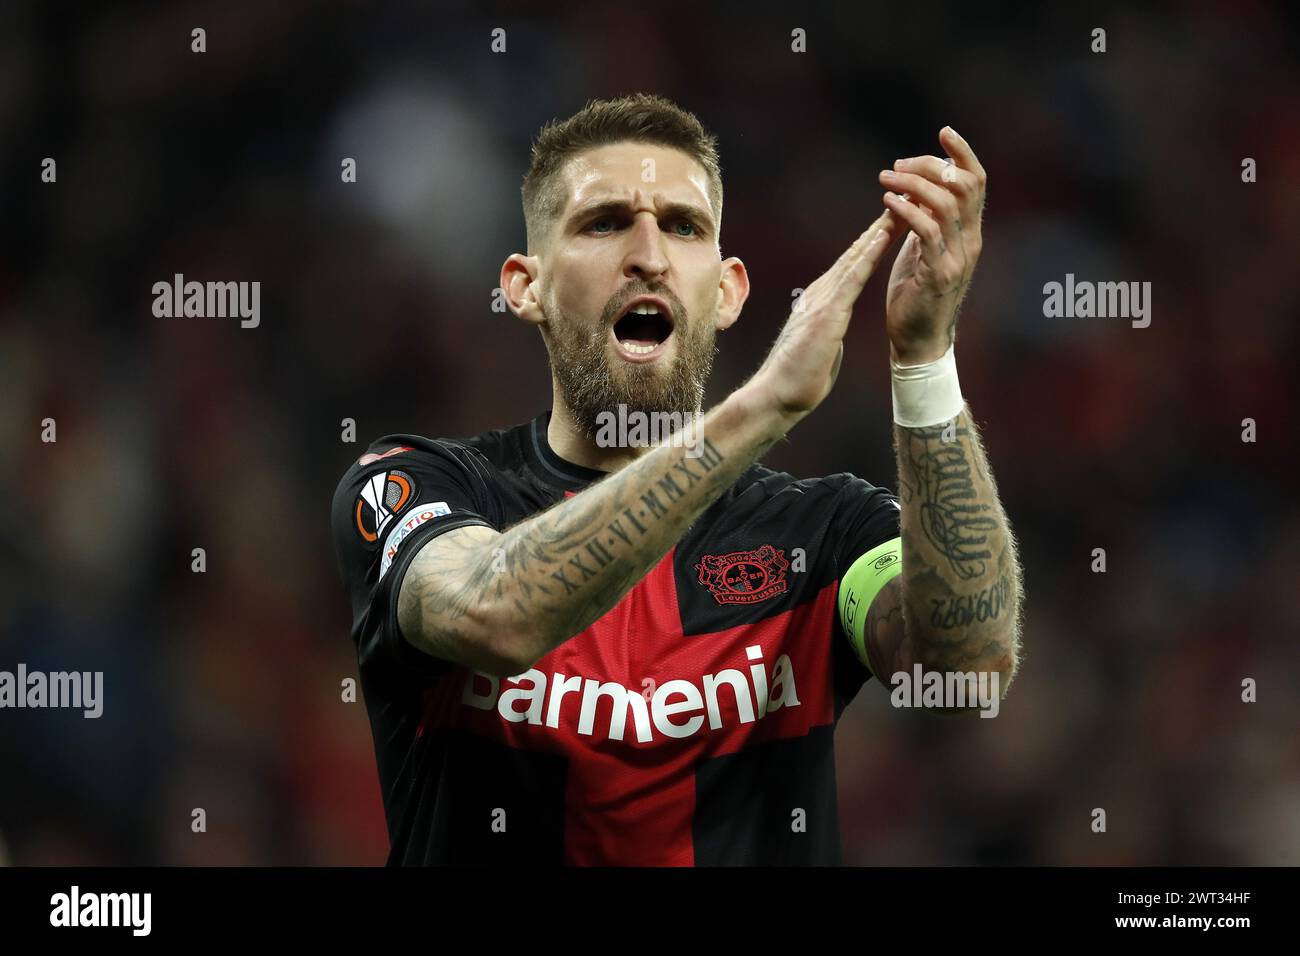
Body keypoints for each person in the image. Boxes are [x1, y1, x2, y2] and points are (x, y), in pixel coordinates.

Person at [331, 93, 1022, 865]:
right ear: (525, 286)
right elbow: (497, 615)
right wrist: (760, 407)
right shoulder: (413, 484)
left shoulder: (822, 535)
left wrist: (924, 358)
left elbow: (966, 672)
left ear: (726, 291)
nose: (649, 256)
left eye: (683, 226)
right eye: (604, 223)